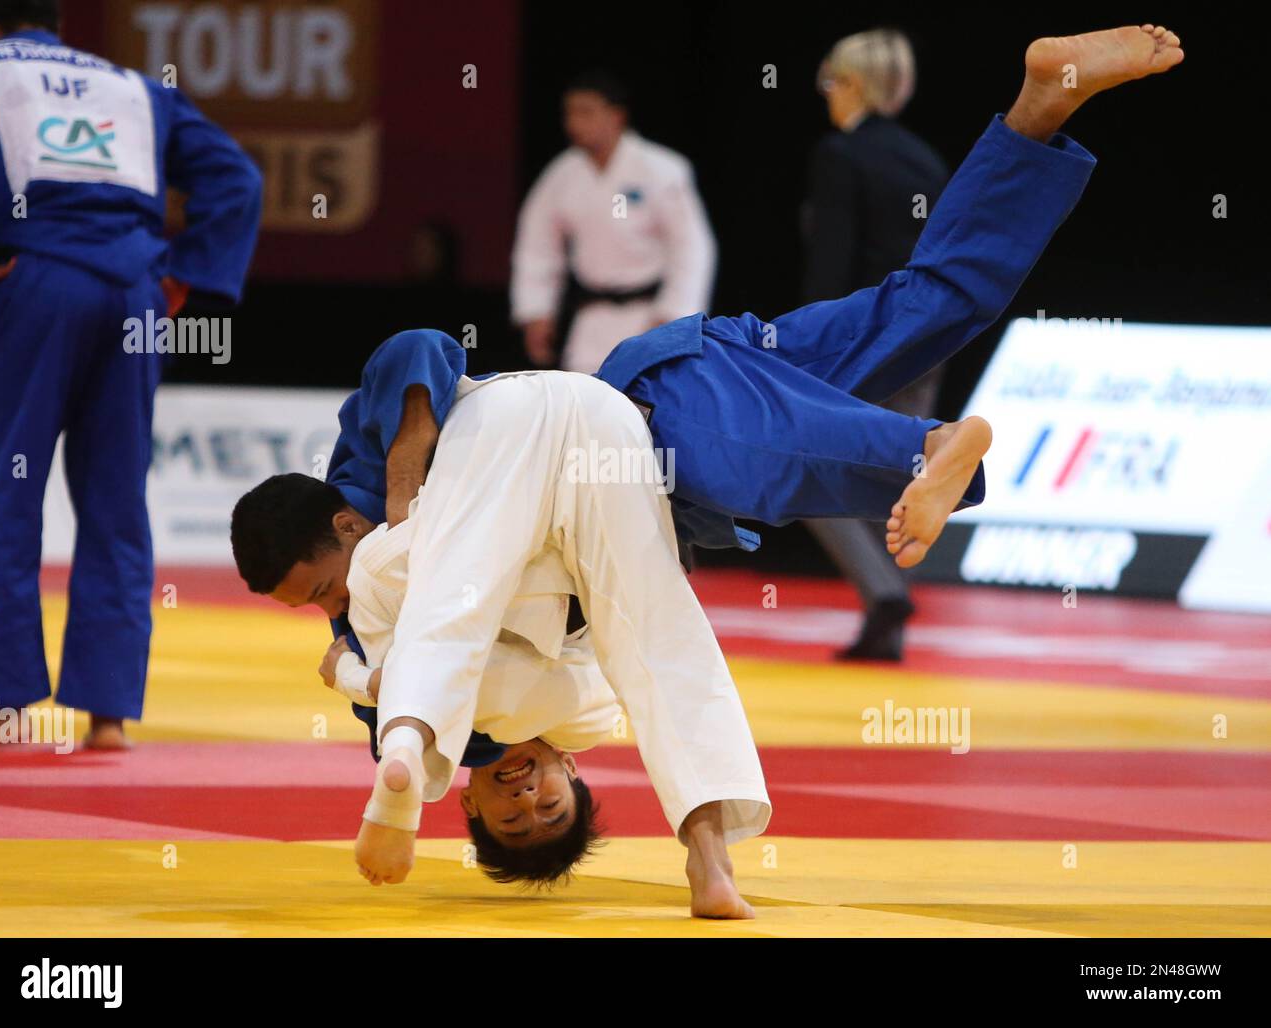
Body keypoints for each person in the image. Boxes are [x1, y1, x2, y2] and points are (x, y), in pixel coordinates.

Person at [230, 24, 1183, 916]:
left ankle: (925, 452)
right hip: (687, 397)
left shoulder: (371, 515)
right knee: (928, 307)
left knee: (762, 470)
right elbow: (574, 660)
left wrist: (403, 476)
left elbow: (414, 351)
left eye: (320, 590)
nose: (524, 793)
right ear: (568, 780)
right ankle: (1038, 113)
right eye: (546, 806)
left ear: (342, 530)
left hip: (659, 406)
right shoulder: (528, 697)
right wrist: (361, 683)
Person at [0, 0, 262, 748]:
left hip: (34, 284)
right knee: (115, 498)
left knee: (2, 487)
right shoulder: (134, 86)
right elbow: (237, 180)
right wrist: (183, 276)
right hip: (132, 288)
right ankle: (107, 718)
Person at [800, 28, 952, 661]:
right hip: (933, 334)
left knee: (806, 466)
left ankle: (885, 591)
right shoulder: (926, 161)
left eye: (831, 82)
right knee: (893, 474)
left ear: (852, 84)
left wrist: (807, 344)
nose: (827, 96)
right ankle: (885, 618)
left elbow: (832, 265)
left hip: (865, 339)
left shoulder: (842, 155)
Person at [510, 71, 716, 373]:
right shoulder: (561, 175)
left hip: (651, 316)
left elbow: (691, 247)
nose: (573, 123)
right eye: (569, 113)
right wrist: (537, 311)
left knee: (647, 408)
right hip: (590, 321)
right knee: (581, 409)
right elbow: (537, 246)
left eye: (586, 112)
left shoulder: (662, 169)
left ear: (616, 115)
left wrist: (675, 316)